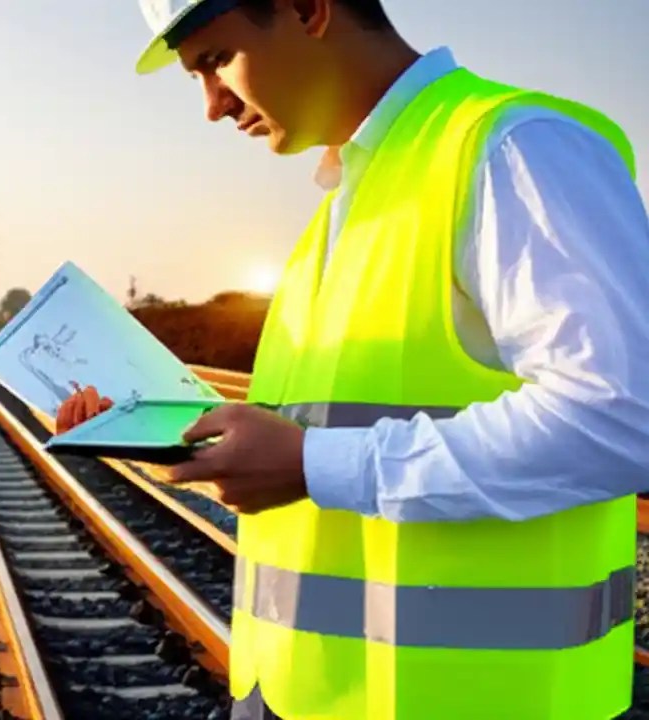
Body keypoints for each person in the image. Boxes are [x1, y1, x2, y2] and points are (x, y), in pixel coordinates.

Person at [55, 0, 649, 717]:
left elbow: (621, 417)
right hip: (303, 692)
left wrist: (311, 463)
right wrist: (179, 441)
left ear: (308, 10)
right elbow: (323, 432)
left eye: (215, 60)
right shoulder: (348, 205)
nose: (212, 106)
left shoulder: (513, 148)